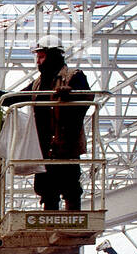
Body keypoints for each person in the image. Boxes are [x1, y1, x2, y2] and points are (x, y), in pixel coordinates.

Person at [25, 43, 92, 211]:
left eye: (42, 57)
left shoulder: (73, 76)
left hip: (66, 145)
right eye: (37, 57)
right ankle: (50, 226)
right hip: (44, 147)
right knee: (47, 190)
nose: (38, 62)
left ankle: (74, 221)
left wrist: (70, 92)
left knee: (70, 186)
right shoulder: (38, 84)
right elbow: (18, 97)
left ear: (53, 56)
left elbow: (86, 95)